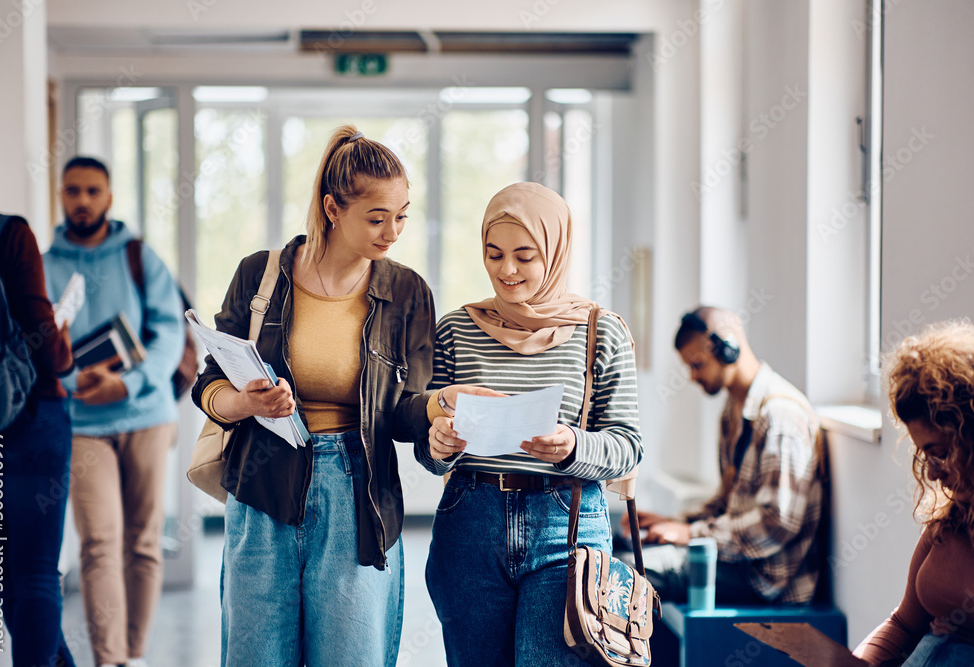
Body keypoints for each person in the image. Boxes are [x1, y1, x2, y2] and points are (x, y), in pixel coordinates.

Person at [192, 125, 463, 666]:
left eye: (403, 215)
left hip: (358, 496)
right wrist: (249, 403)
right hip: (262, 485)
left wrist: (441, 411)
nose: (393, 232)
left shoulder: (406, 291)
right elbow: (209, 386)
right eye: (377, 217)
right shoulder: (260, 276)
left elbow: (409, 409)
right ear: (333, 207)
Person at [416, 181, 643, 666]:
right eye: (494, 254)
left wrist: (572, 447)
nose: (508, 270)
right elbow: (427, 451)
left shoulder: (602, 331)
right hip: (470, 519)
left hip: (567, 525)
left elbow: (628, 446)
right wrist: (439, 443)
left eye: (525, 255)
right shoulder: (456, 330)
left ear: (556, 251)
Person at [43, 156, 185, 667]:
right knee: (99, 543)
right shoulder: (42, 264)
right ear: (61, 196)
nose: (82, 200)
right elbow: (30, 345)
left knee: (143, 543)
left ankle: (135, 657)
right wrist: (71, 380)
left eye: (92, 191)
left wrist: (126, 385)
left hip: (146, 414)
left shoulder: (138, 256)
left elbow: (170, 334)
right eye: (72, 191)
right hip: (80, 423)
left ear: (109, 196)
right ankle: (111, 660)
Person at [621, 307, 823, 605]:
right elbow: (729, 503)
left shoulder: (780, 417)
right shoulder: (733, 411)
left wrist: (690, 534)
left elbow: (776, 524)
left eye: (698, 364)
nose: (692, 376)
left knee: (625, 571)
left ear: (728, 349)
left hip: (765, 579)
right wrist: (673, 524)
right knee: (619, 546)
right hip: (737, 560)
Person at [0, 107, 77, 666]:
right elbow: (50, 350)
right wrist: (61, 331)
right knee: (34, 574)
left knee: (3, 574)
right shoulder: (8, 234)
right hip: (31, 421)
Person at [854, 321, 974, 666]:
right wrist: (857, 662)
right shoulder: (949, 521)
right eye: (925, 455)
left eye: (940, 451)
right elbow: (905, 624)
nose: (933, 473)